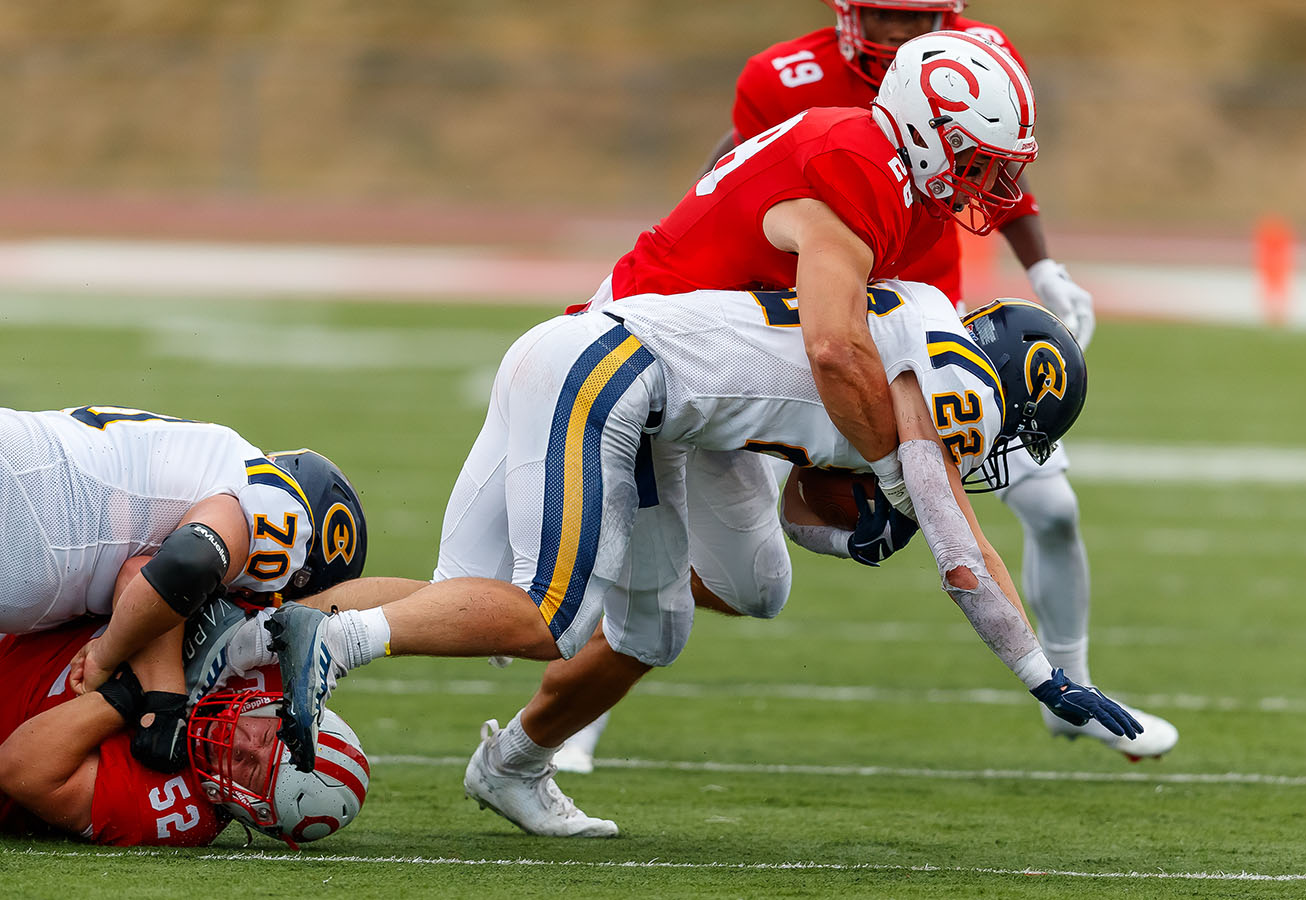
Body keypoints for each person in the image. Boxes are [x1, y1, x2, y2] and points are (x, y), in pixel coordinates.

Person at [266, 280, 1140, 838]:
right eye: (1012, 431)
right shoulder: (954, 382)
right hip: (611, 375)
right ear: (1001, 390)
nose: (991, 452)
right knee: (548, 615)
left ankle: (504, 764)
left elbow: (784, 490)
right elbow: (962, 553)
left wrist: (852, 531)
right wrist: (1040, 671)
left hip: (625, 389)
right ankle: (332, 642)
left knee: (646, 627)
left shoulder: (916, 318)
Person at [554, 0, 1177, 774]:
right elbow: (740, 168)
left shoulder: (975, 64)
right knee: (752, 552)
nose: (898, 35)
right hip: (809, 323)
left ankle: (1072, 690)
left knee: (1044, 503)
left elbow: (1000, 166)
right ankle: (580, 713)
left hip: (931, 317)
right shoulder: (788, 77)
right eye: (882, 17)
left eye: (916, 19)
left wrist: (1041, 263)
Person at [0, 405, 366, 771]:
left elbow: (141, 573)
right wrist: (105, 656)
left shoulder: (209, 459)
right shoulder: (282, 512)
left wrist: (164, 696)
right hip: (29, 520)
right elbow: (188, 563)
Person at [0, 594, 367, 848]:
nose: (243, 745)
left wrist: (134, 694)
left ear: (252, 813)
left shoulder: (177, 811)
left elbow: (20, 768)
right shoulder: (269, 672)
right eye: (269, 737)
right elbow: (156, 575)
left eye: (253, 772)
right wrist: (166, 685)